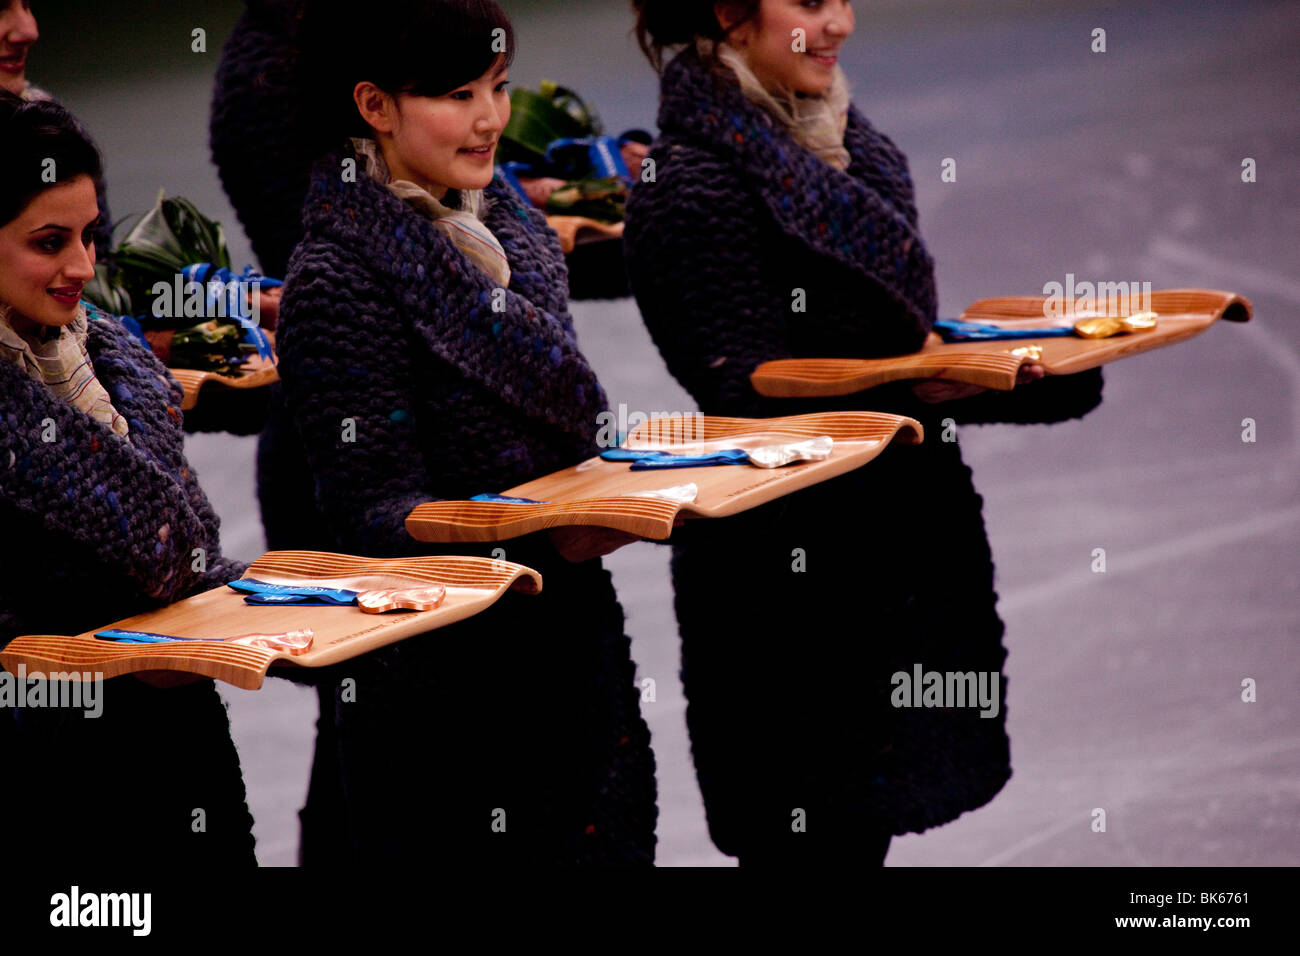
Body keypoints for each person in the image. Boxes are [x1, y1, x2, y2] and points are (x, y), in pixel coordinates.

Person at [623, 0, 1105, 865]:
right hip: (785, 578)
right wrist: (931, 378)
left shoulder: (856, 145)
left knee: (862, 835)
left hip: (903, 549)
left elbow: (893, 348)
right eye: (811, 1)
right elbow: (748, 386)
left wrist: (1006, 369)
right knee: (812, 840)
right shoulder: (688, 182)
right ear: (730, 13)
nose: (841, 22)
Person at [267, 0, 657, 865]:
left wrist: (599, 501)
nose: (490, 119)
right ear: (374, 106)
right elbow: (373, 518)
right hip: (443, 690)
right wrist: (542, 531)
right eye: (457, 95)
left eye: (499, 86)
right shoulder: (335, 278)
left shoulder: (510, 231)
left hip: (574, 639)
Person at [0, 92, 257, 866]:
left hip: (185, 761)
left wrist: (304, 606)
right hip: (47, 795)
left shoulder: (118, 361)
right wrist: (126, 662)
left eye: (89, 236)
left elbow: (190, 561)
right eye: (50, 242)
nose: (84, 267)